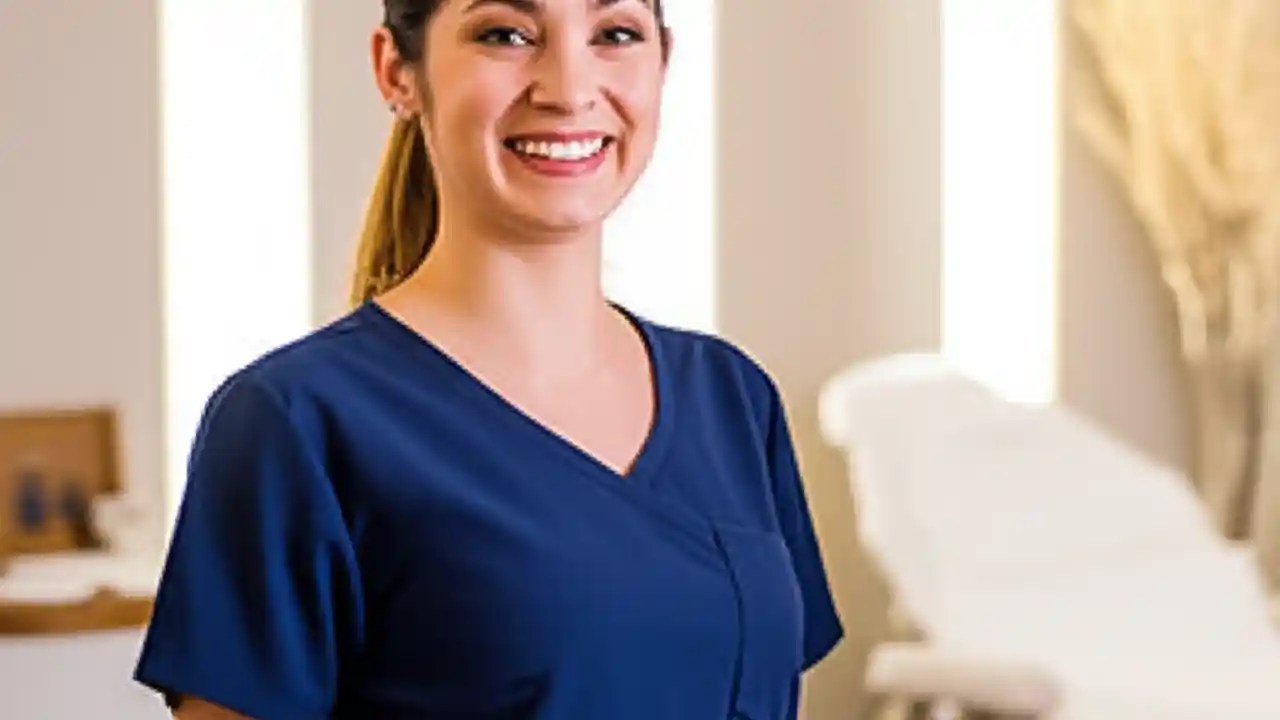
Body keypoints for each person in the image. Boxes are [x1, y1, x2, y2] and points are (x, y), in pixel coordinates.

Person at [133, 0, 843, 718]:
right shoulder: (295, 424)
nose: (568, 88)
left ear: (663, 60)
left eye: (615, 34)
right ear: (396, 71)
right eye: (506, 34)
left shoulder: (732, 398)